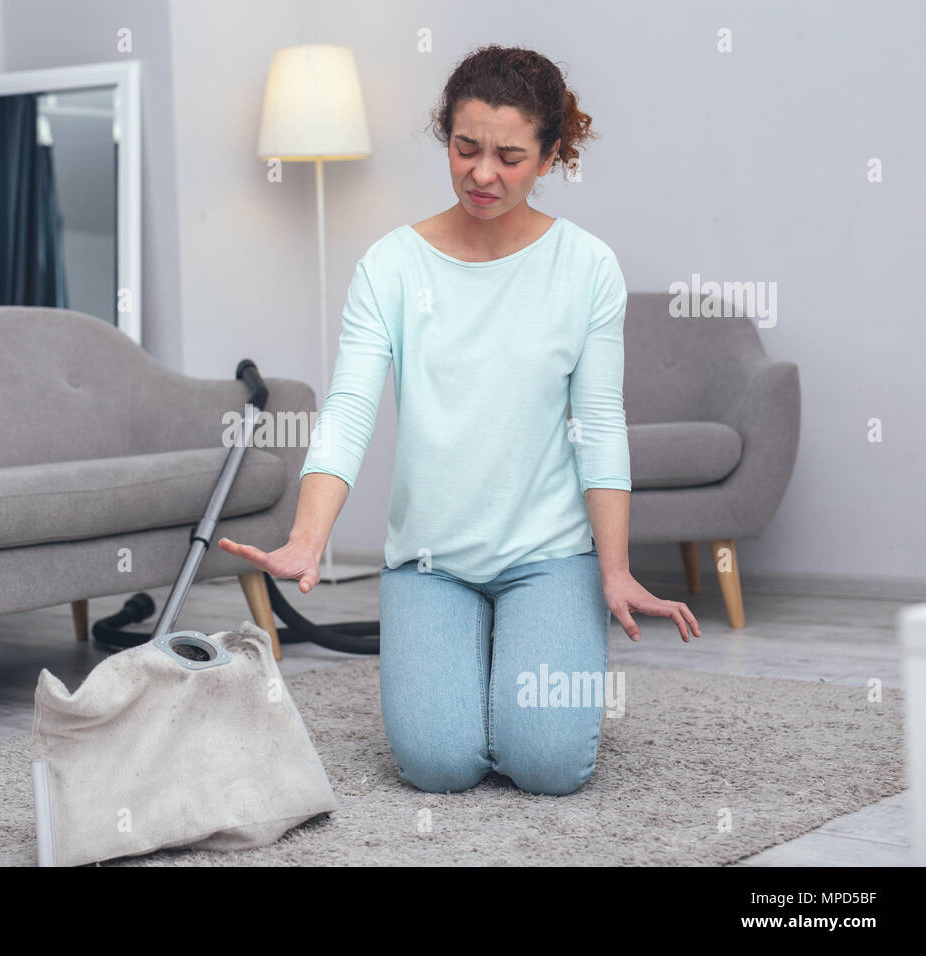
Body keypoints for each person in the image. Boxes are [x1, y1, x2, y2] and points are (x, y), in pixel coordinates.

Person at [219, 44, 699, 797]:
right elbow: (349, 409)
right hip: (430, 562)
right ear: (446, 135)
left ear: (550, 157)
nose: (482, 173)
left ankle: (536, 640)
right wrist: (308, 538)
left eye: (510, 156)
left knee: (547, 765)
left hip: (549, 555)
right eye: (465, 147)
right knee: (437, 765)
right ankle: (475, 658)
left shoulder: (586, 268)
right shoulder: (391, 266)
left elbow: (600, 423)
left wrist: (613, 569)